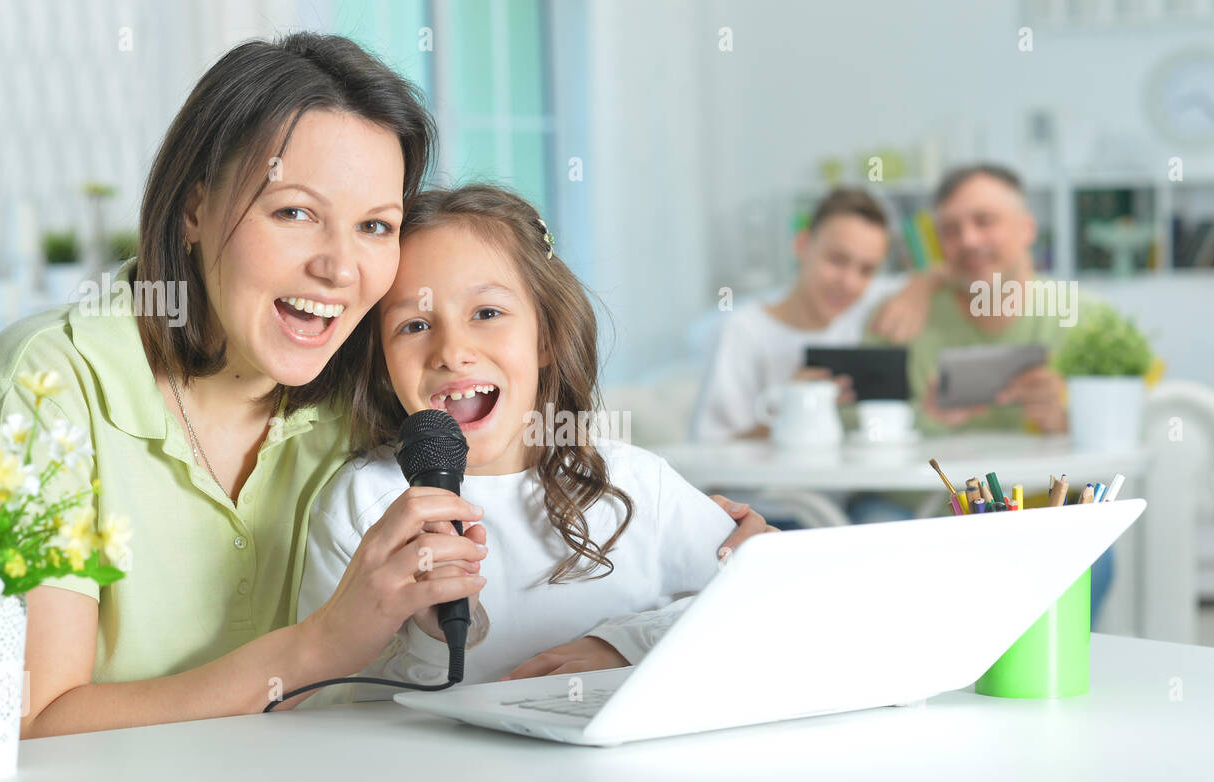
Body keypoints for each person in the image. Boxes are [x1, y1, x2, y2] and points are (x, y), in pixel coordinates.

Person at [0, 33, 771, 739]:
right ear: (194, 207)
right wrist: (322, 645)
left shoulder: (357, 382)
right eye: (294, 212)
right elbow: (36, 722)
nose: (341, 268)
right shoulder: (55, 384)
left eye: (375, 225)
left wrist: (709, 543)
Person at [295, 185, 740, 702]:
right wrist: (429, 637)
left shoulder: (640, 484)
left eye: (486, 313)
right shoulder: (360, 504)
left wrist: (623, 646)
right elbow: (328, 701)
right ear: (382, 363)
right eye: (415, 325)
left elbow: (762, 607)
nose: (453, 352)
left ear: (546, 337)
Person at [858, 163, 1114, 613]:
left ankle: (1036, 675)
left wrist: (1066, 418)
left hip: (1041, 516)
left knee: (1089, 556)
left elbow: (1132, 421)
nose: (968, 241)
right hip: (919, 515)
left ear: (1028, 228)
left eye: (985, 221)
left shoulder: (1088, 319)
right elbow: (851, 428)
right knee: (870, 531)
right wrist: (925, 423)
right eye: (950, 230)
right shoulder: (900, 317)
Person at [690, 188, 892, 441]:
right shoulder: (743, 331)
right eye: (837, 260)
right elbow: (710, 453)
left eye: (866, 270)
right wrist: (790, 408)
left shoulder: (865, 314)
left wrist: (923, 287)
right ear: (802, 246)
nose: (849, 282)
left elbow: (934, 276)